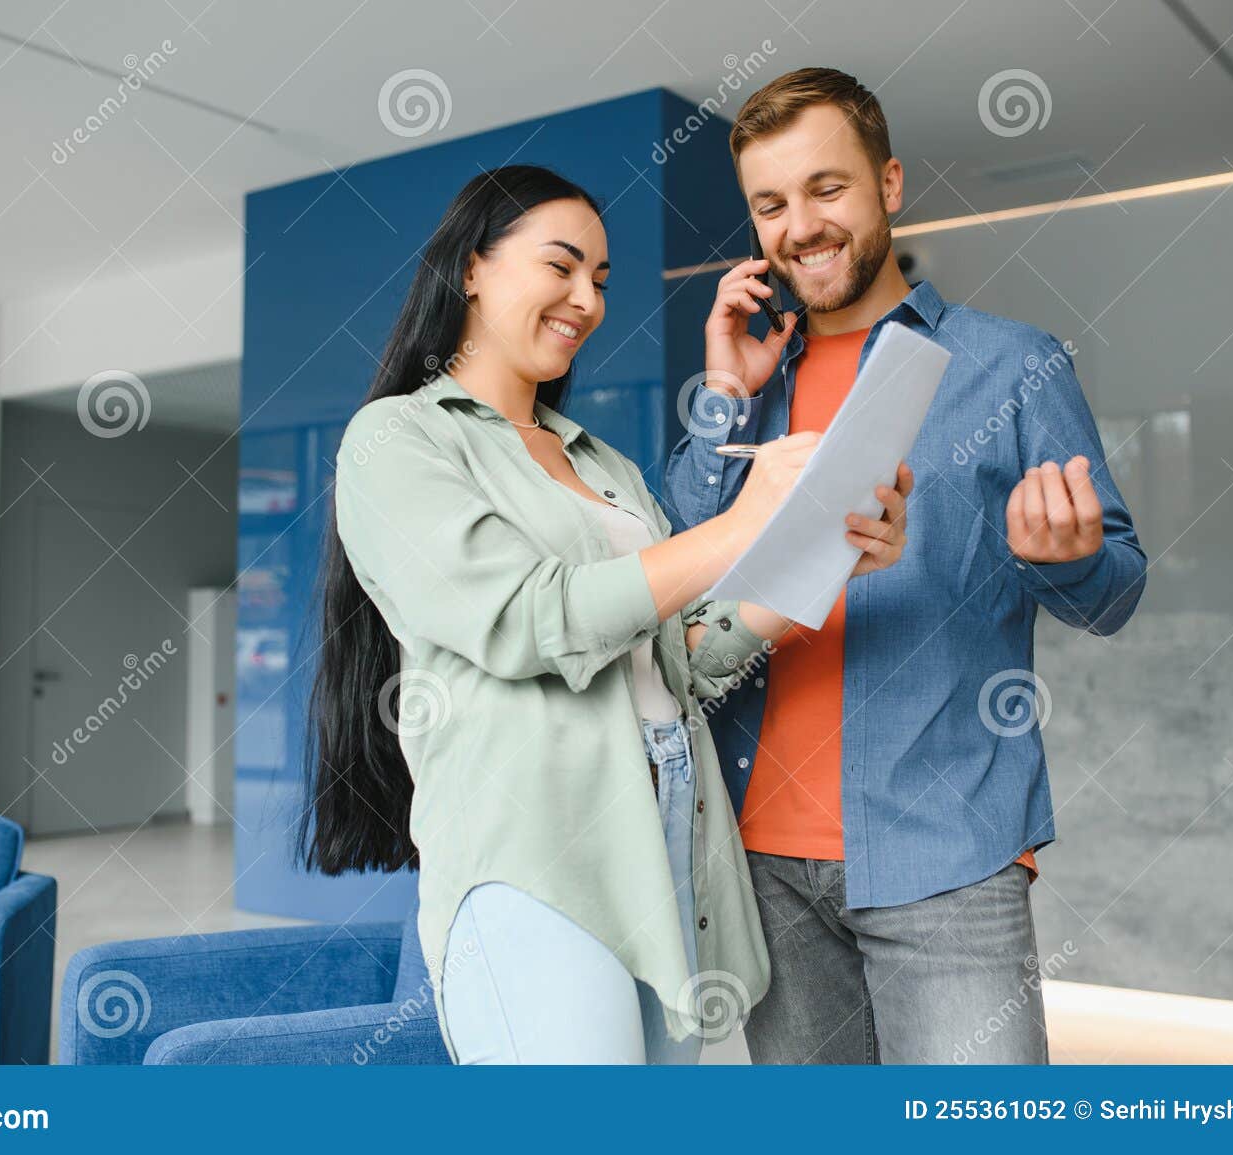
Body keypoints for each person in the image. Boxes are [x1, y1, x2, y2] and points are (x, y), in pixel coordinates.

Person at [303, 164, 911, 1064]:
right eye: (561, 266)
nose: (586, 299)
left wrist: (825, 557)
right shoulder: (399, 438)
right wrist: (744, 522)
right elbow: (523, 616)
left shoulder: (605, 465)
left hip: (669, 833)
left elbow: (687, 658)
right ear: (472, 269)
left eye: (601, 279)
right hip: (536, 848)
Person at [665, 69, 1147, 1064]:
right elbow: (683, 562)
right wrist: (720, 391)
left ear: (886, 185)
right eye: (770, 204)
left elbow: (1116, 591)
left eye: (825, 188)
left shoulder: (1011, 368)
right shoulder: (750, 391)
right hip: (761, 868)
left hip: (948, 857)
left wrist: (1064, 560)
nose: (799, 224)